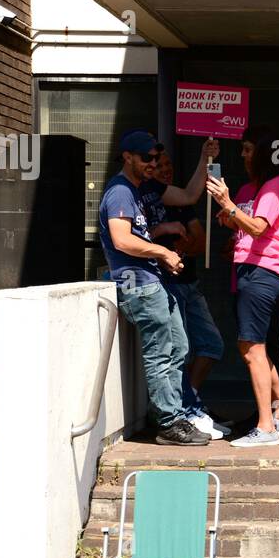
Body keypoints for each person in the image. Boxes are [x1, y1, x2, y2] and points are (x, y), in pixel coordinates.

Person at [99, 129, 211, 446]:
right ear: (128, 158)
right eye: (146, 158)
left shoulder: (141, 188)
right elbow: (121, 239)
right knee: (162, 352)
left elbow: (189, 195)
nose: (152, 163)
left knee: (178, 346)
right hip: (138, 285)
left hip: (153, 281)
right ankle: (168, 423)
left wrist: (204, 157)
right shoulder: (120, 192)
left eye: (155, 157)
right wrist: (163, 252)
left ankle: (170, 413)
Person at [207, 131, 279, 448]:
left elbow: (259, 228)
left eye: (248, 150)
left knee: (252, 348)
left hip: (260, 273)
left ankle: (266, 426)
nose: (243, 156)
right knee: (256, 347)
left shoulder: (274, 188)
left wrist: (228, 205)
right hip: (258, 272)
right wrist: (232, 217)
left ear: (261, 154)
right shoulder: (269, 188)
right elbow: (256, 228)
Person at [141, 142, 232, 440]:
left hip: (188, 283)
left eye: (166, 165)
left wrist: (205, 156)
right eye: (155, 164)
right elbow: (136, 237)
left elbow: (199, 242)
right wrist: (165, 235)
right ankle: (178, 412)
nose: (161, 169)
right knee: (176, 350)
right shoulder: (140, 193)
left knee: (209, 345)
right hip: (166, 284)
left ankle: (189, 402)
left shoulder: (174, 197)